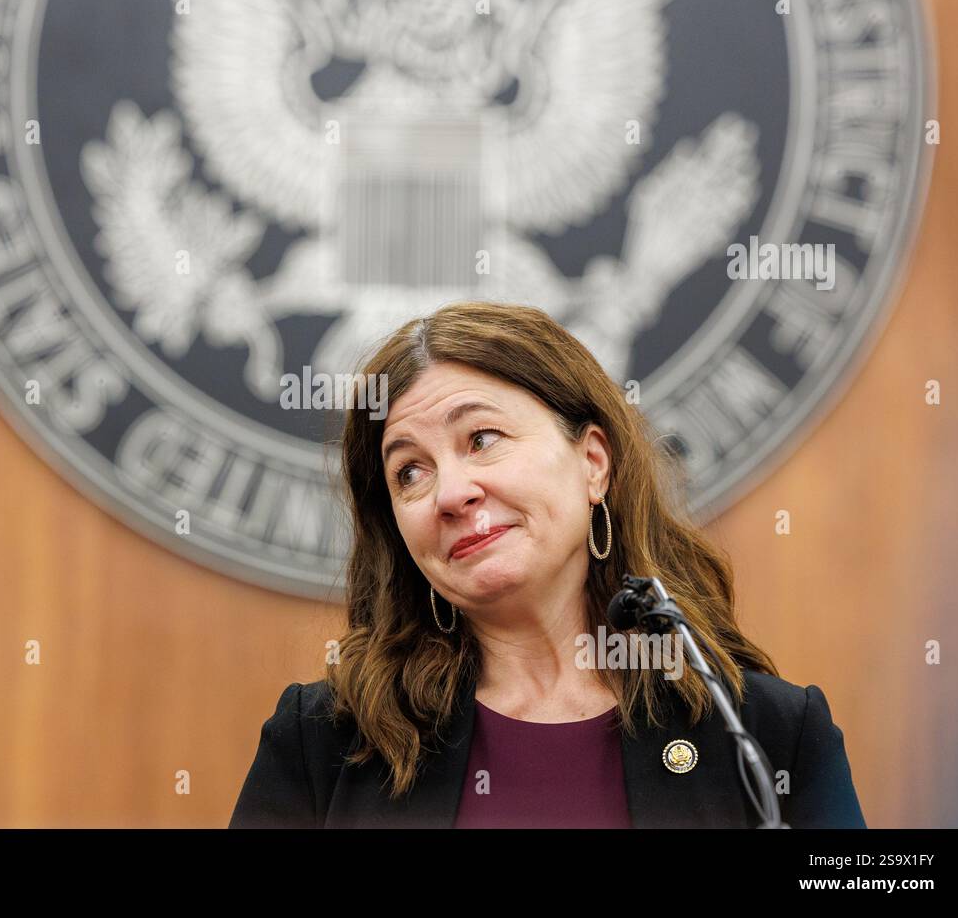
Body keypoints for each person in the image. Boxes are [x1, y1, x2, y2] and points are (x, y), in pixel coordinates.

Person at [230, 301, 865, 828]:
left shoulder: (764, 734)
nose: (452, 493)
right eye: (410, 472)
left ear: (593, 463)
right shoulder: (325, 743)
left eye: (481, 439)